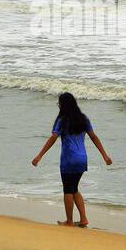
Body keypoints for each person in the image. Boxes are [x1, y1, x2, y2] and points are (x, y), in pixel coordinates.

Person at [32, 92, 111, 227]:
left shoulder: (62, 120)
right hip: (82, 159)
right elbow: (94, 137)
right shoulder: (83, 119)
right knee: (74, 189)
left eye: (59, 103)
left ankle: (69, 221)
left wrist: (39, 155)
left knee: (68, 190)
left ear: (63, 105)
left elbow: (53, 138)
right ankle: (84, 219)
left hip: (69, 159)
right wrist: (105, 155)